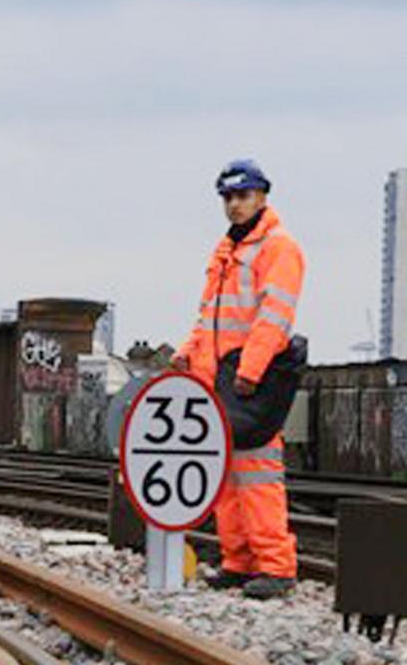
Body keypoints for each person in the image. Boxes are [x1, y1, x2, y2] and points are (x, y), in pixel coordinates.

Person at [172, 159, 304, 600]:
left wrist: (251, 370)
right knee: (227, 474)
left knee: (257, 475)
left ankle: (276, 566)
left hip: (250, 381)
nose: (234, 205)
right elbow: (209, 316)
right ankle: (240, 561)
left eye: (243, 196)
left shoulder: (278, 248)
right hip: (221, 378)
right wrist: (188, 353)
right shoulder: (229, 252)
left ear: (263, 196)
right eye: (228, 198)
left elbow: (275, 315)